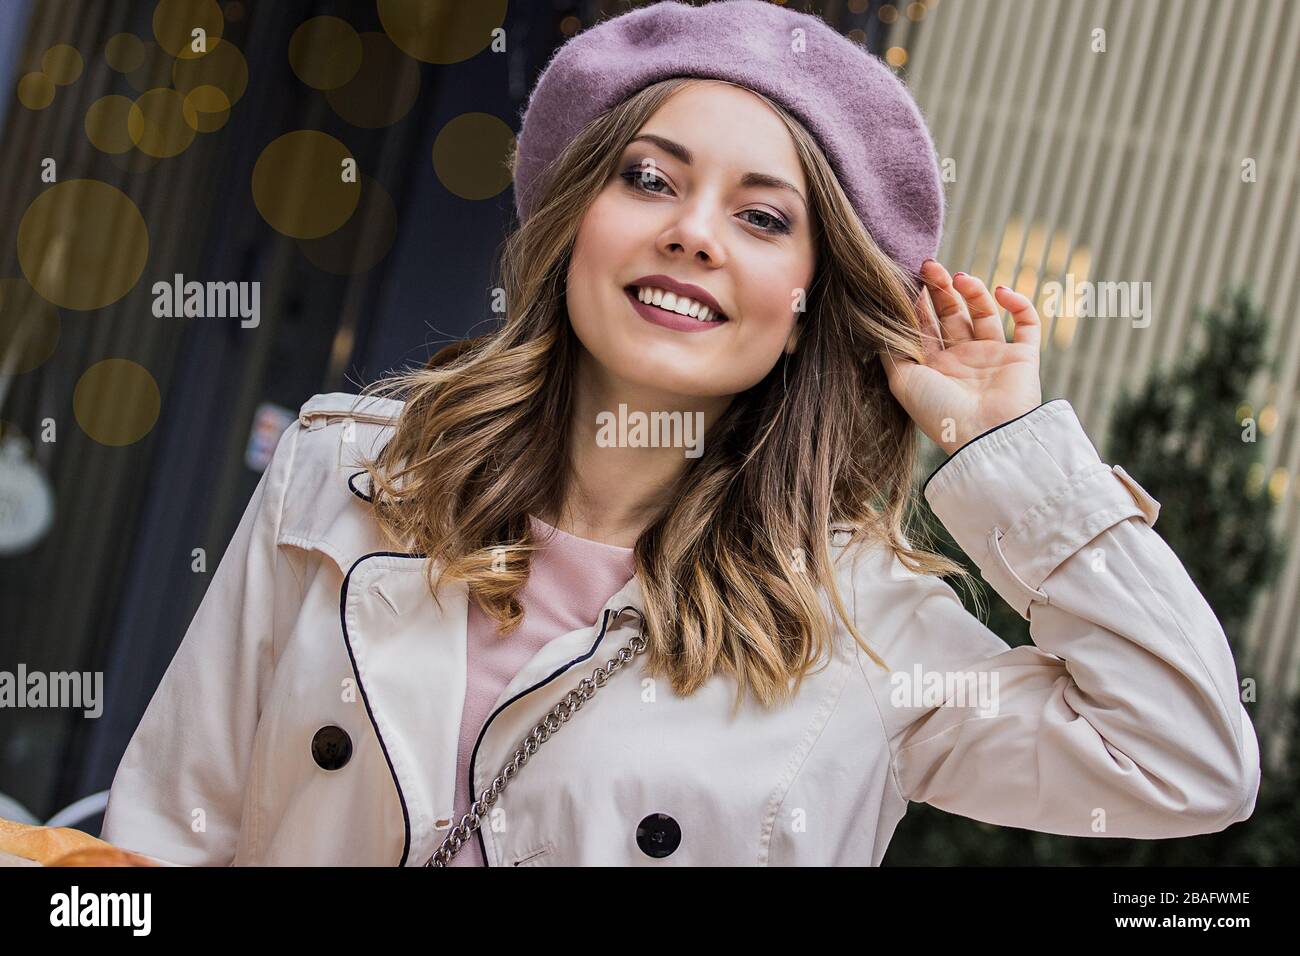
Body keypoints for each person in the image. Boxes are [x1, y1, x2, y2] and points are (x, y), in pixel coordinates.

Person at [100, 0, 1259, 867]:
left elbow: (1185, 760)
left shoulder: (859, 622)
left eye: (762, 216)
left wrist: (1006, 447)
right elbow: (161, 836)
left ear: (812, 298)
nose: (693, 233)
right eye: (649, 180)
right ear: (574, 223)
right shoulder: (348, 473)